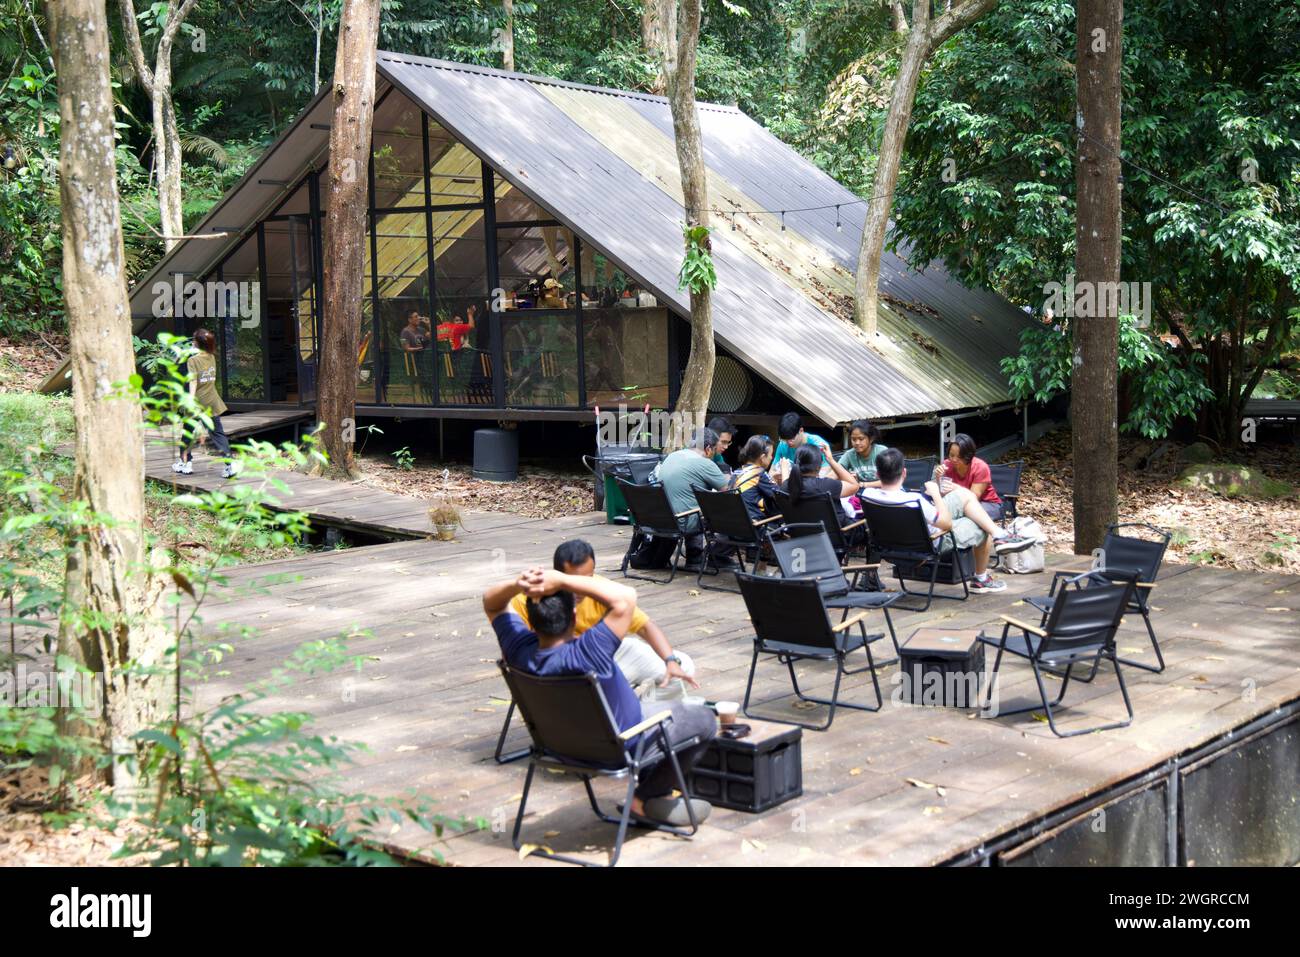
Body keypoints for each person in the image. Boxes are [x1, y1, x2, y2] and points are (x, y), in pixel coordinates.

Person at [484, 565, 715, 826]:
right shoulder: (589, 651)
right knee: (704, 718)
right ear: (573, 615)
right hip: (621, 747)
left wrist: (519, 584)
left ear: (531, 618)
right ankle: (646, 798)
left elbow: (491, 602)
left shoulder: (517, 650)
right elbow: (626, 597)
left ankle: (653, 797)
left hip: (555, 749)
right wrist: (562, 579)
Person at [507, 539, 697, 697]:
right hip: (562, 667)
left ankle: (640, 710)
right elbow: (520, 652)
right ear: (557, 576)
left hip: (606, 651)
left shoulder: (603, 591)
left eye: (588, 578)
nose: (581, 586)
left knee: (683, 666)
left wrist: (670, 660)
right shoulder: (529, 599)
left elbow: (645, 627)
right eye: (573, 580)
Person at [862, 448, 1030, 593]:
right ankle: (981, 578)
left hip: (892, 543)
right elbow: (947, 524)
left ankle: (999, 533)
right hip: (934, 540)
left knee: (963, 495)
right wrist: (935, 493)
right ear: (904, 473)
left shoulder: (868, 496)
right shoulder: (914, 500)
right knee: (981, 525)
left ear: (878, 474)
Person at [653, 426, 735, 571]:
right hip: (684, 522)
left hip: (661, 518)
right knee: (729, 509)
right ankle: (717, 556)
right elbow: (728, 491)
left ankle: (695, 558)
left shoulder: (673, 456)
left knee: (692, 502)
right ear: (708, 448)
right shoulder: (705, 463)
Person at [172, 328, 236, 478]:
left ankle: (185, 463)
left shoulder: (192, 360)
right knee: (217, 433)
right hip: (212, 400)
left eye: (194, 339)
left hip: (198, 401)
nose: (192, 341)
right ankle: (230, 464)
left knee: (188, 431)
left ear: (197, 343)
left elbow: (193, 382)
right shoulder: (211, 357)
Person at [937, 433, 1004, 522]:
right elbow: (942, 494)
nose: (954, 460)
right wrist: (939, 478)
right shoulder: (947, 465)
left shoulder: (980, 467)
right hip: (960, 504)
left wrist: (956, 488)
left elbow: (973, 498)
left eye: (959, 457)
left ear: (968, 456)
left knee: (965, 515)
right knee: (941, 512)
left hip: (988, 504)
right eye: (951, 455)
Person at [728, 434, 781, 521]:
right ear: (763, 457)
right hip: (757, 527)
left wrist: (771, 479)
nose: (772, 458)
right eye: (771, 454)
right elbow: (781, 498)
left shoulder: (736, 472)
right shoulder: (759, 473)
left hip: (736, 525)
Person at [772, 412, 833, 482]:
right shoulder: (783, 444)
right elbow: (772, 471)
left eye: (791, 438)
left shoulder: (819, 445)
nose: (788, 442)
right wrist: (775, 476)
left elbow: (824, 474)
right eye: (785, 439)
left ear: (801, 430)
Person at [838, 419, 890, 486]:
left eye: (861, 439)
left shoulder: (882, 452)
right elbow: (836, 471)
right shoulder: (849, 455)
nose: (857, 443)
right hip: (861, 492)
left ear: (871, 439)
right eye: (853, 439)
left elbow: (891, 480)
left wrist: (862, 484)